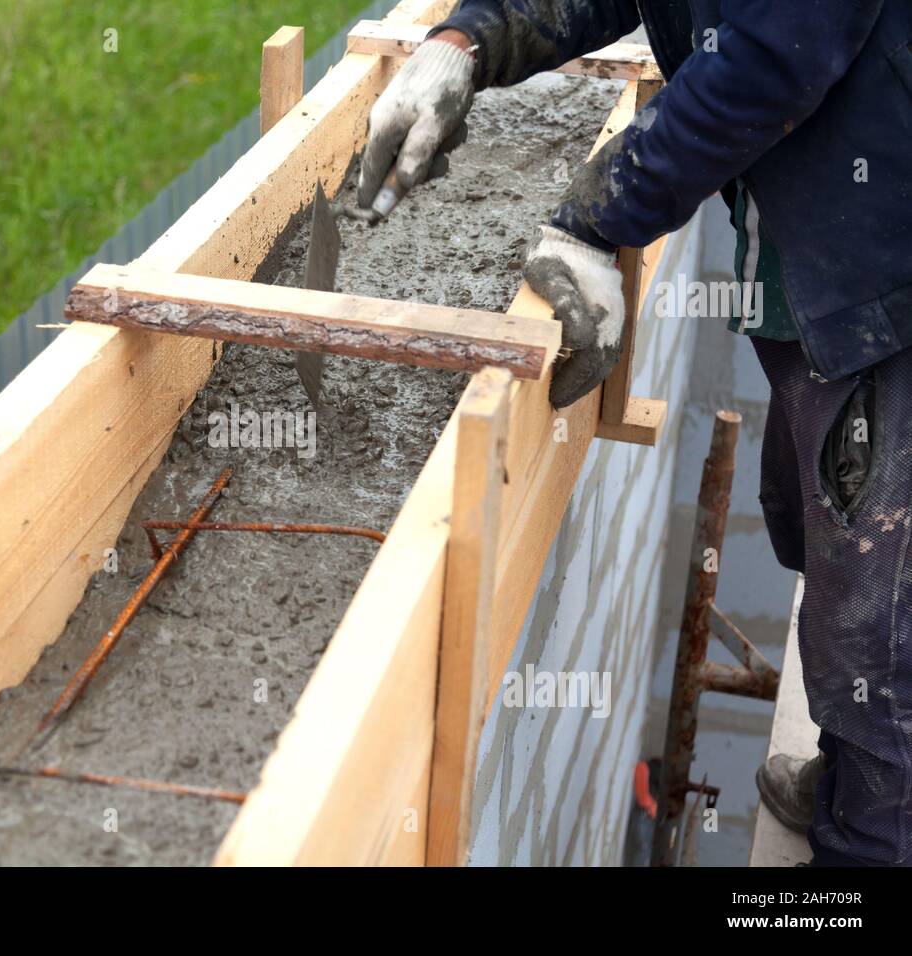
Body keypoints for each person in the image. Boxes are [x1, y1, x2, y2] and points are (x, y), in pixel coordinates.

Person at [358, 0, 912, 866]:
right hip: (830, 247)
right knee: (828, 543)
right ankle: (853, 779)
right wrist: (464, 43)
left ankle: (870, 839)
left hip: (890, 268)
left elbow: (773, 58)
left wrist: (597, 218)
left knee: (880, 622)